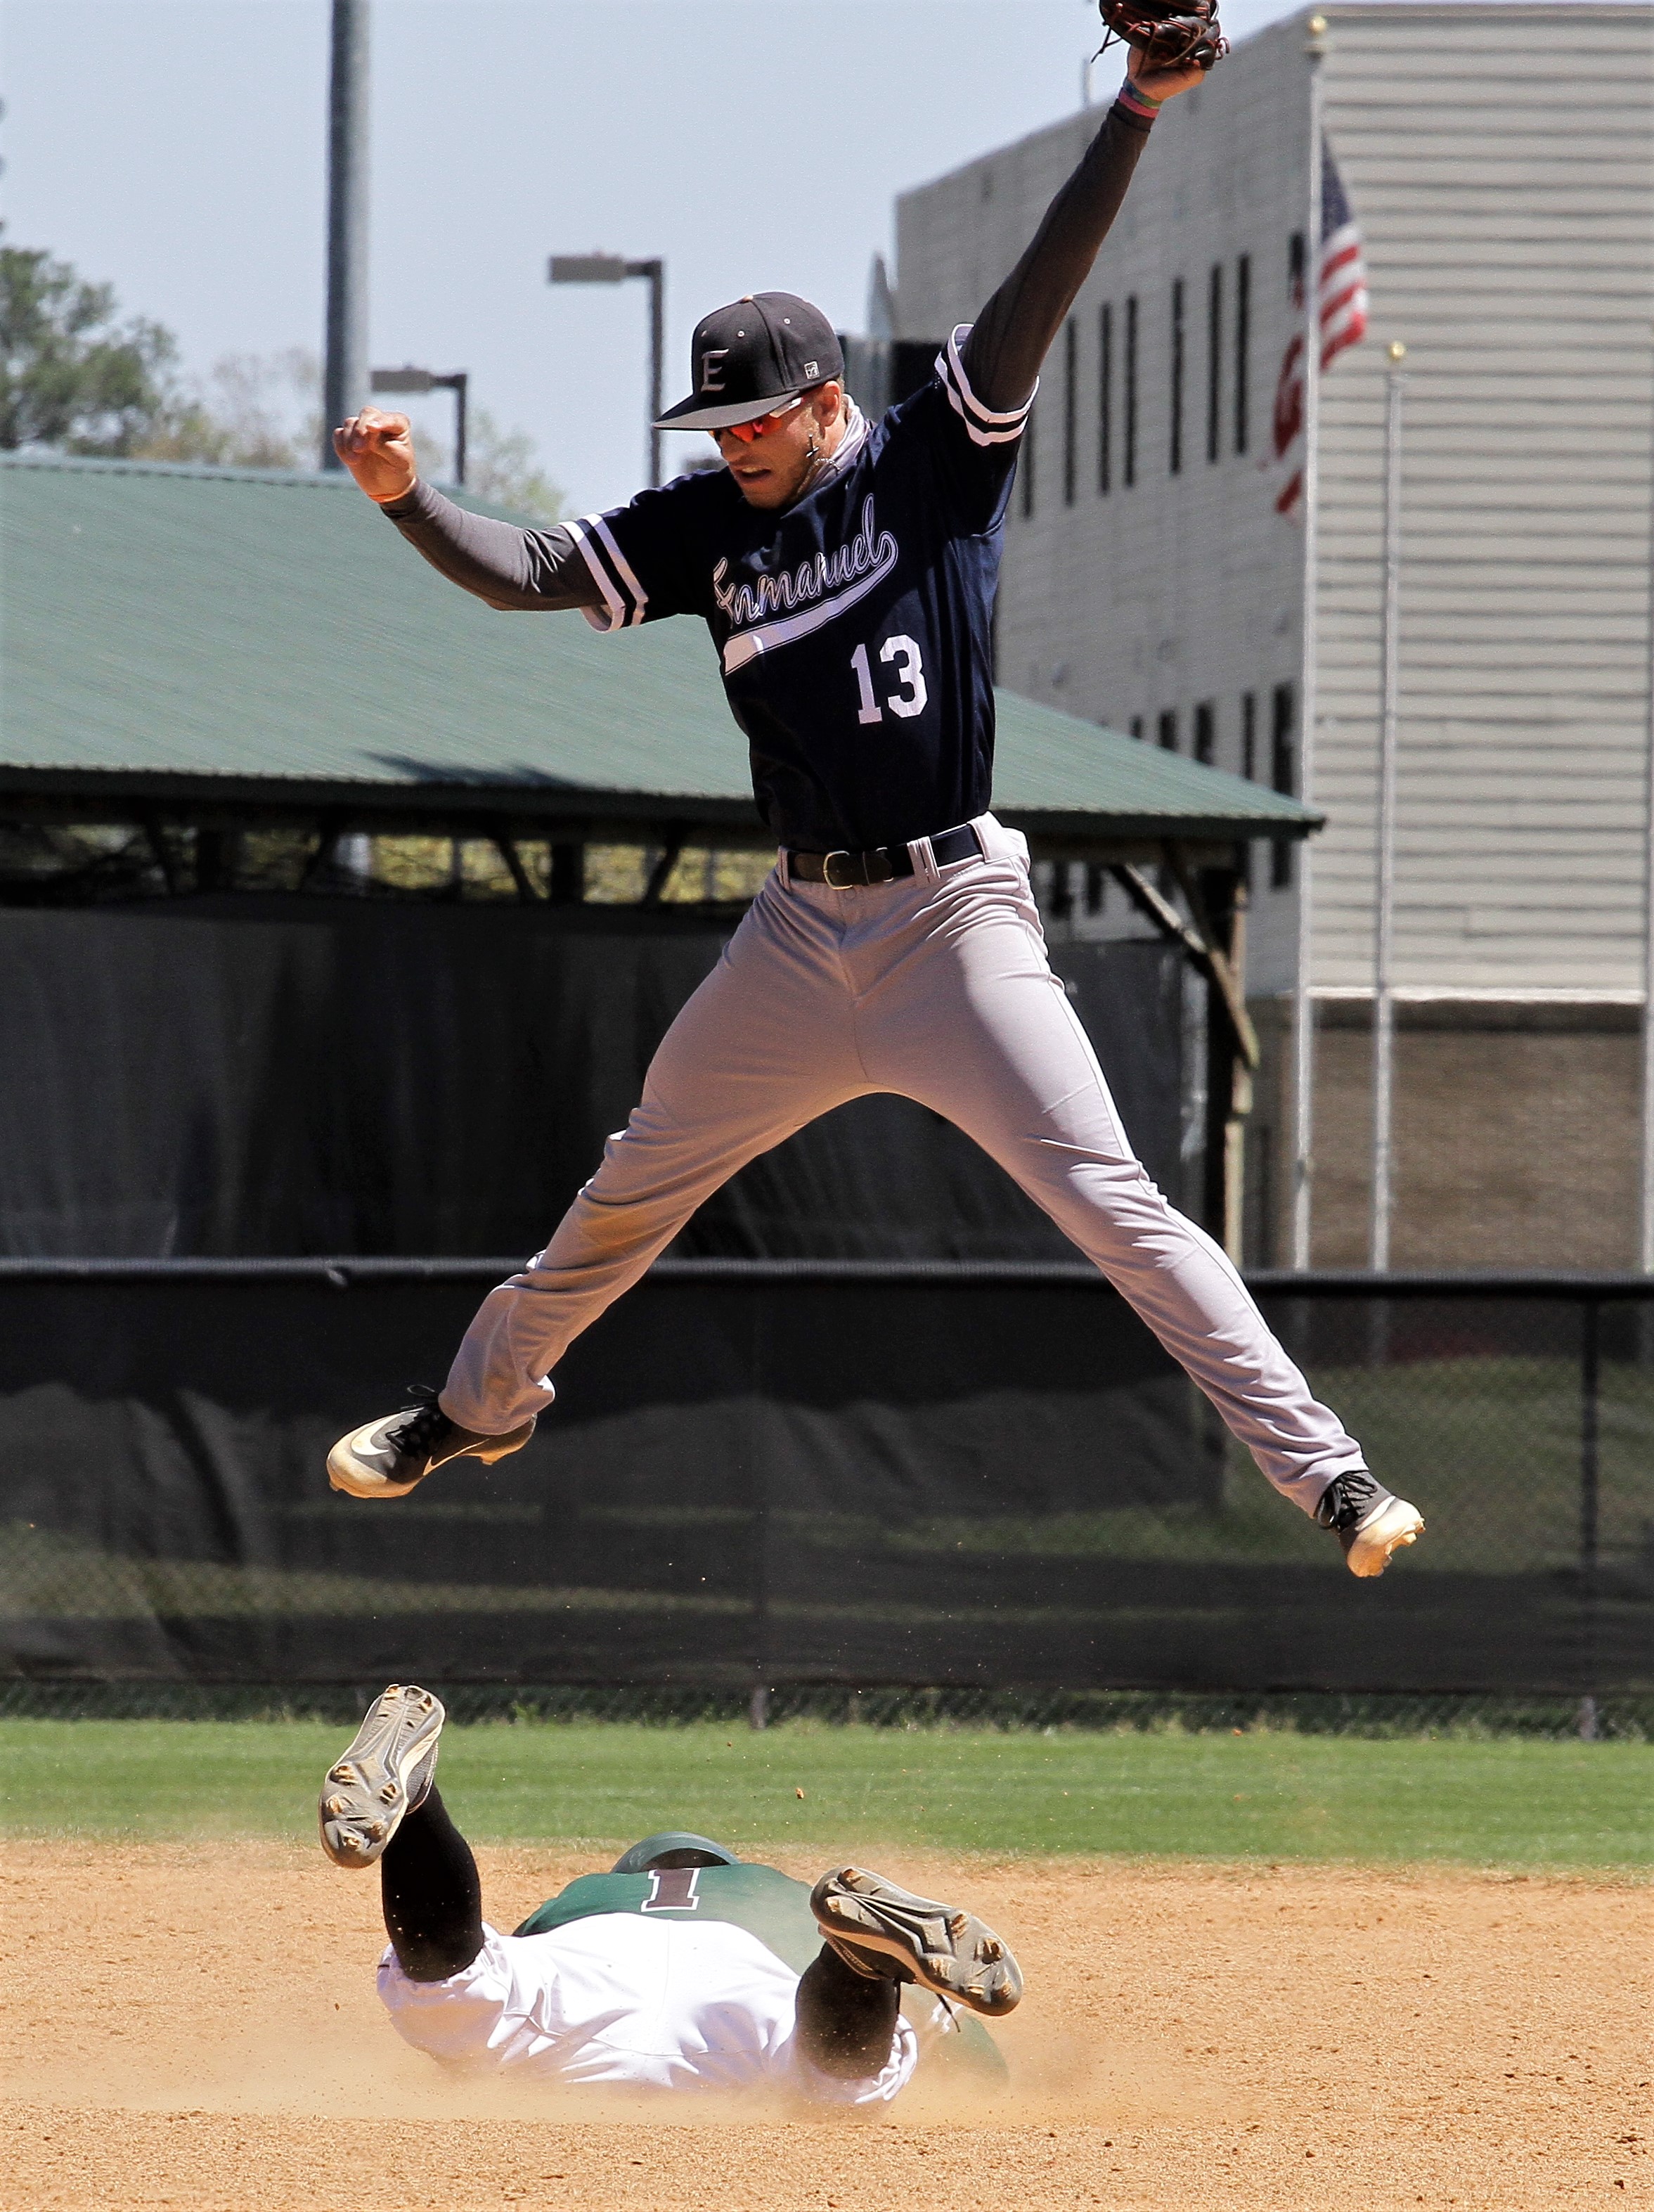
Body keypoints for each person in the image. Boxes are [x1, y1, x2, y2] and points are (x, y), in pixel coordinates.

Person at [325, 51, 1423, 1581]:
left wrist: (1138, 110)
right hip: (796, 934)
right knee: (631, 1181)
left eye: (755, 418)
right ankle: (473, 1407)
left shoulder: (931, 462)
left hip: (952, 922)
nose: (730, 443)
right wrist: (401, 498)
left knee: (1116, 1204)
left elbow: (1046, 284)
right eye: (716, 422)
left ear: (826, 399)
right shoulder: (704, 526)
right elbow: (526, 572)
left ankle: (1332, 1476)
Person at [320, 1684, 1018, 2099]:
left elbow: (469, 1965)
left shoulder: (590, 1895)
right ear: (721, 1864)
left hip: (588, 1971)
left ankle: (419, 1803)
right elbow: (973, 2062)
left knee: (455, 1987)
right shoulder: (770, 1891)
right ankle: (857, 1961)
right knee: (835, 2077)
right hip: (748, 1988)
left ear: (635, 1872)